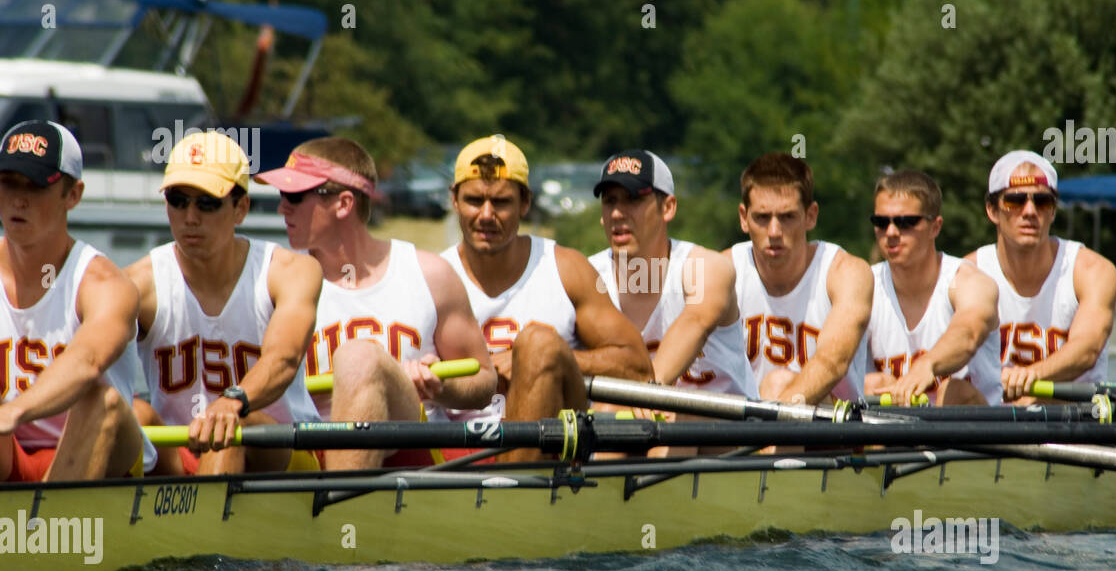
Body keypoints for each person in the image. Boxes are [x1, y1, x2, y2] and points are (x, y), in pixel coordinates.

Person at [256, 137, 497, 471]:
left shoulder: (429, 273)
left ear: (343, 204)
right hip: (308, 455)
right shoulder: (273, 283)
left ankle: (341, 513)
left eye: (294, 196)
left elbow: (485, 381)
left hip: (412, 453)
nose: (282, 207)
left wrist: (440, 388)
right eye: (282, 196)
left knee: (359, 358)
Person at [441, 136, 653, 460]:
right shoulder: (431, 275)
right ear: (454, 200)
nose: (485, 215)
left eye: (500, 202)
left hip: (551, 455)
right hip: (452, 454)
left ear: (525, 203)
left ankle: (515, 496)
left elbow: (638, 367)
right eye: (474, 200)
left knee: (538, 344)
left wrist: (539, 362)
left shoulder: (567, 268)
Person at [129, 131, 323, 475]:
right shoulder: (137, 283)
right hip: (183, 455)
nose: (190, 217)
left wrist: (234, 401)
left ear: (241, 208)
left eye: (207, 203)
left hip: (279, 453)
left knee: (233, 430)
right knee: (132, 415)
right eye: (178, 200)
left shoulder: (290, 272)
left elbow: (284, 358)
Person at [0, 121, 156, 481]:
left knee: (101, 400)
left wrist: (15, 411)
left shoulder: (104, 283)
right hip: (14, 454)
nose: (18, 200)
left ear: (73, 195)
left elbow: (87, 361)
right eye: (8, 183)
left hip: (104, 459)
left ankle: (55, 533)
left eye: (35, 186)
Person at [588, 150, 756, 398]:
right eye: (610, 201)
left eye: (632, 199)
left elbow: (696, 322)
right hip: (638, 427)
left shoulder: (706, 266)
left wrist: (648, 396)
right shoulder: (586, 275)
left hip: (721, 430)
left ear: (668, 207)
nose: (617, 213)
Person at [965, 150, 1116, 403]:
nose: (1029, 211)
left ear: (1053, 211)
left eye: (1042, 202)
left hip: (1071, 420)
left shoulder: (1092, 271)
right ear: (992, 211)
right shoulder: (968, 273)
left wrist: (1029, 377)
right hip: (992, 422)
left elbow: (1087, 349)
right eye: (1015, 200)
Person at [728, 153, 873, 405]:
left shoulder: (846, 273)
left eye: (787, 217)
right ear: (743, 217)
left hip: (830, 433)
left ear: (811, 215)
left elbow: (832, 361)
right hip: (745, 430)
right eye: (762, 218)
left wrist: (769, 424)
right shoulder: (722, 272)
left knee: (778, 383)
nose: (774, 232)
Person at [866, 170, 1002, 405]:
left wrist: (927, 365)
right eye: (881, 222)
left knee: (953, 390)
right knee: (872, 384)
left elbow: (969, 332)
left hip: (970, 436)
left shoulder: (968, 281)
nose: (891, 232)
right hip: (893, 433)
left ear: (935, 227)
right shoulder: (864, 285)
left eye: (906, 222)